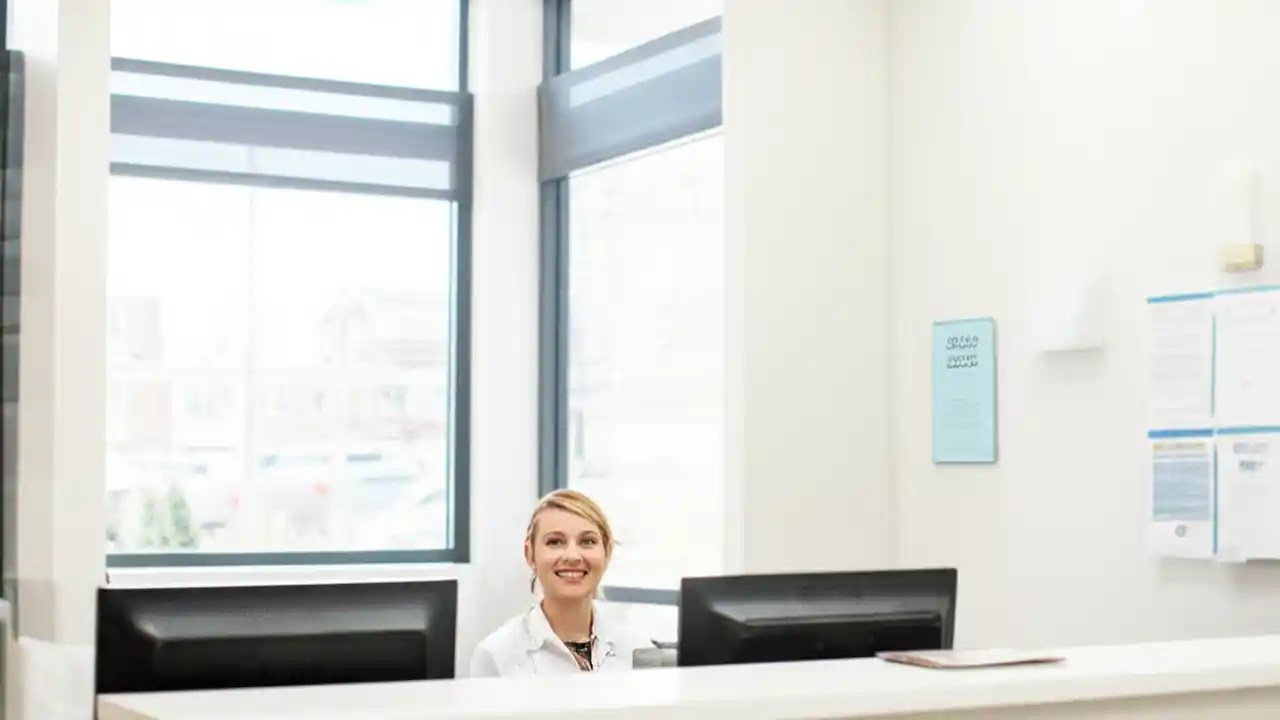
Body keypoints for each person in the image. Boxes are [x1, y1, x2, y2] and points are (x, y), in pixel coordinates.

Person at [470, 489, 645, 676]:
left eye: (587, 541)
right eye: (555, 542)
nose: (572, 556)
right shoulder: (496, 656)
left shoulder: (637, 650)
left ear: (607, 552)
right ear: (530, 554)